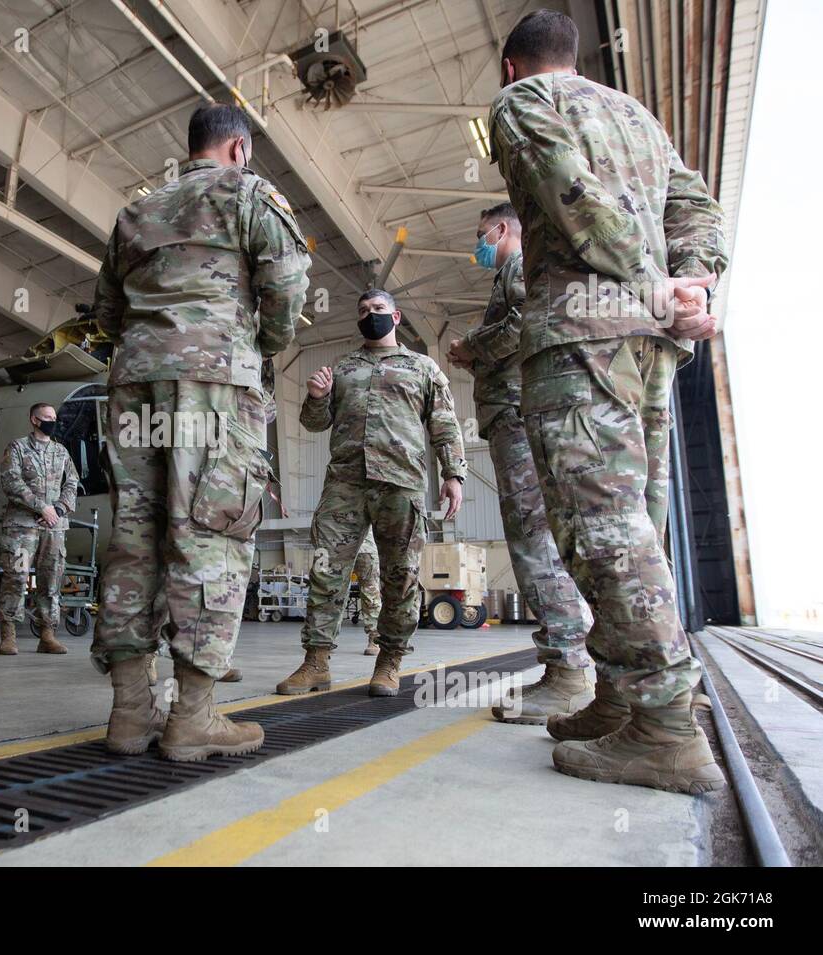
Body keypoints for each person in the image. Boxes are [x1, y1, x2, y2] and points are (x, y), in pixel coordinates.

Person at [488, 10, 728, 792]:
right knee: (634, 518)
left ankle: (664, 728)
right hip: (651, 341)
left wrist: (649, 279)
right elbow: (695, 207)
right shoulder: (637, 116)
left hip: (583, 331)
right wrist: (692, 281)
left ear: (511, 66)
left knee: (598, 524)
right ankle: (622, 698)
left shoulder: (523, 103)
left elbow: (568, 192)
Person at [89, 102, 310, 761]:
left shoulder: (136, 213)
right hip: (213, 383)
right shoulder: (251, 194)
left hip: (133, 386)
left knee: (135, 540)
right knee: (209, 537)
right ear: (239, 149)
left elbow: (104, 315)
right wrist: (253, 346)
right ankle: (193, 718)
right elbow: (287, 296)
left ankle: (129, 714)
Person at [276, 290, 466, 697]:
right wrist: (316, 397)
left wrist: (454, 474)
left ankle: (389, 661)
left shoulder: (423, 367)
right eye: (363, 311)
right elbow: (314, 424)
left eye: (378, 310)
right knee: (327, 571)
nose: (370, 316)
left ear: (395, 316)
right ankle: (316, 663)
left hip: (401, 483)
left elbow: (445, 423)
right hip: (345, 484)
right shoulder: (343, 367)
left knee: (401, 576)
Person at [447, 203, 594, 723]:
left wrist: (472, 348)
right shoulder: (516, 271)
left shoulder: (517, 267)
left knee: (533, 540)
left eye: (482, 233)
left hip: (517, 412)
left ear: (503, 229)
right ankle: (573, 665)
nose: (479, 245)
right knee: (545, 536)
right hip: (522, 411)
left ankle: (567, 671)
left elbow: (521, 322)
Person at [0, 403, 79, 656]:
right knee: (16, 578)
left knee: (51, 581)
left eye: (54, 418)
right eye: (47, 418)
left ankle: (47, 635)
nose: (52, 422)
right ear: (34, 419)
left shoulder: (61, 452)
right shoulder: (17, 447)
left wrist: (60, 510)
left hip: (53, 528)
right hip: (22, 527)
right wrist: (42, 507)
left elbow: (73, 482)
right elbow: (11, 481)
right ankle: (8, 635)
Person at [352, 530, 381, 656]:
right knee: (331, 593)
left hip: (365, 547)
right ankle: (324, 641)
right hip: (334, 545)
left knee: (370, 594)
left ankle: (375, 639)